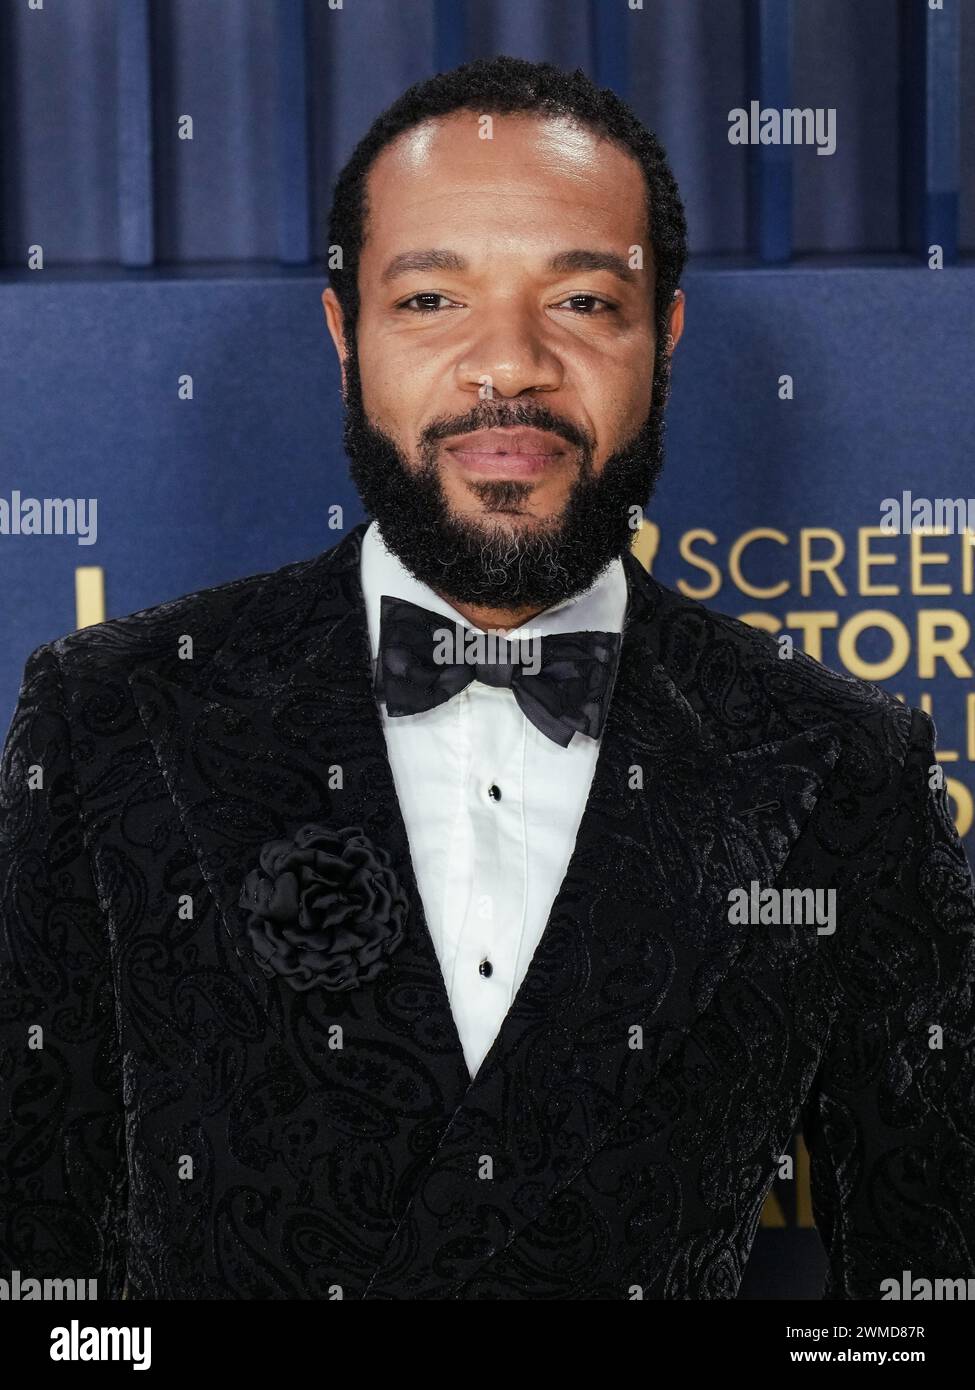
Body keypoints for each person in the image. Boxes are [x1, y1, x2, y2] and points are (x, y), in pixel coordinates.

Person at [1, 56, 972, 1301]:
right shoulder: (114, 713)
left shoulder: (842, 766)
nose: (506, 368)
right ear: (346, 331)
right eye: (431, 302)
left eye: (579, 302)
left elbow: (929, 1295)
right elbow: (37, 1284)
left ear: (663, 333)